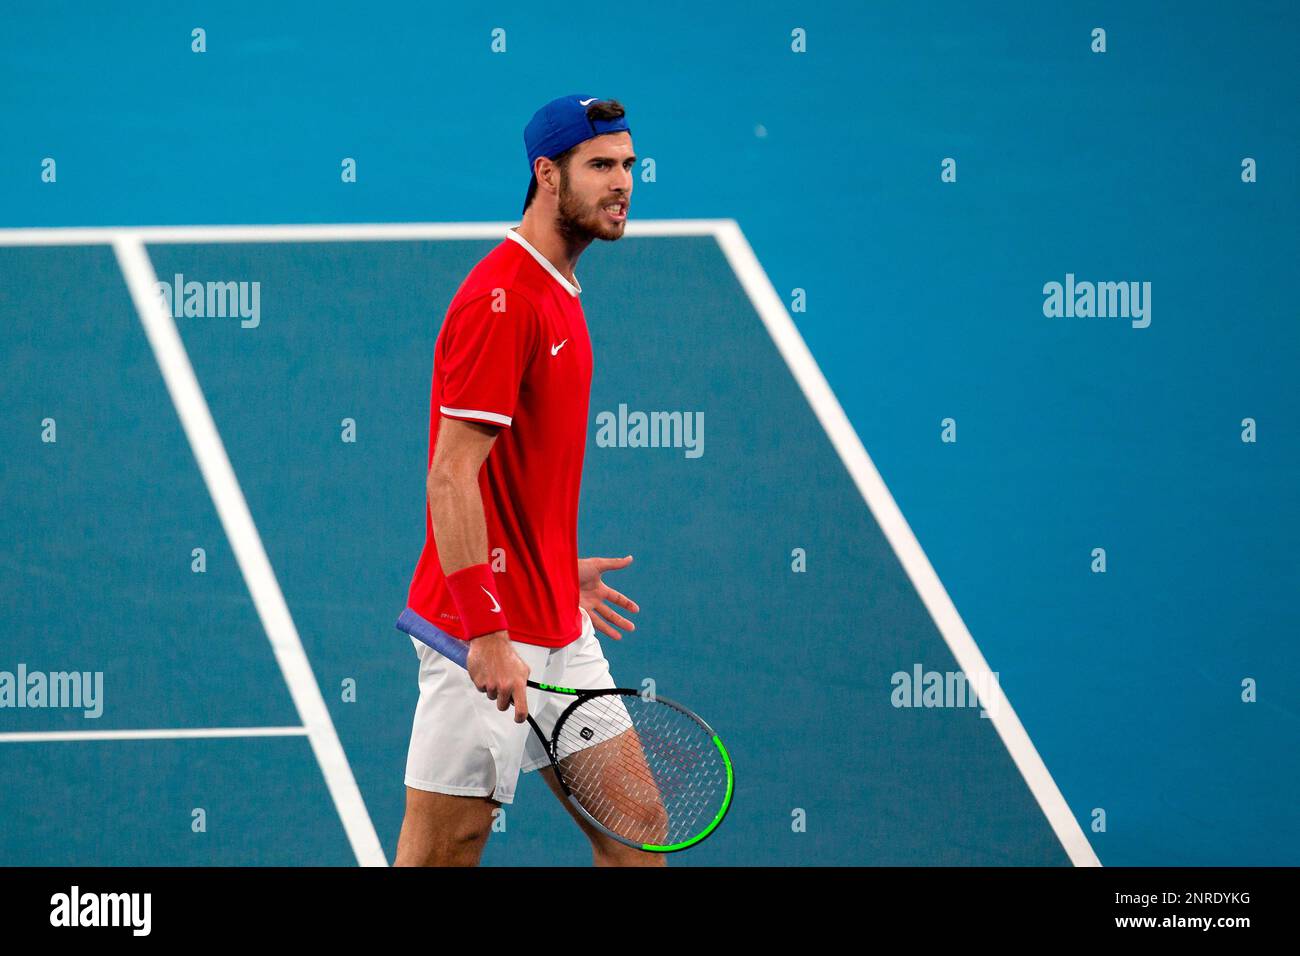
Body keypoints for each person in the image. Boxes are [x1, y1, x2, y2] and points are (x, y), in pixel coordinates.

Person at [394, 95, 660, 866]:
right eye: (601, 166)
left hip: (554, 620)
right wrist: (484, 630)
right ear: (547, 175)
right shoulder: (502, 301)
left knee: (637, 838)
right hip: (480, 631)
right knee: (449, 851)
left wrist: (551, 564)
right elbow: (451, 477)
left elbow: (522, 476)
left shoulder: (559, 286)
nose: (623, 184)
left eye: (629, 166)